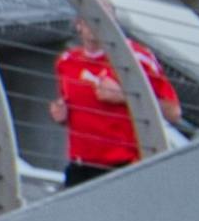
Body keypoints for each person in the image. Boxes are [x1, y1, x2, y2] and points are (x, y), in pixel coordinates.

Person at [52, 24, 175, 184]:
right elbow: (73, 110)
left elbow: (173, 111)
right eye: (89, 19)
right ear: (79, 24)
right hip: (81, 166)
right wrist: (60, 116)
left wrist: (125, 97)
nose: (94, 24)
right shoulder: (66, 61)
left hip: (125, 166)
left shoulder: (137, 58)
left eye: (101, 19)